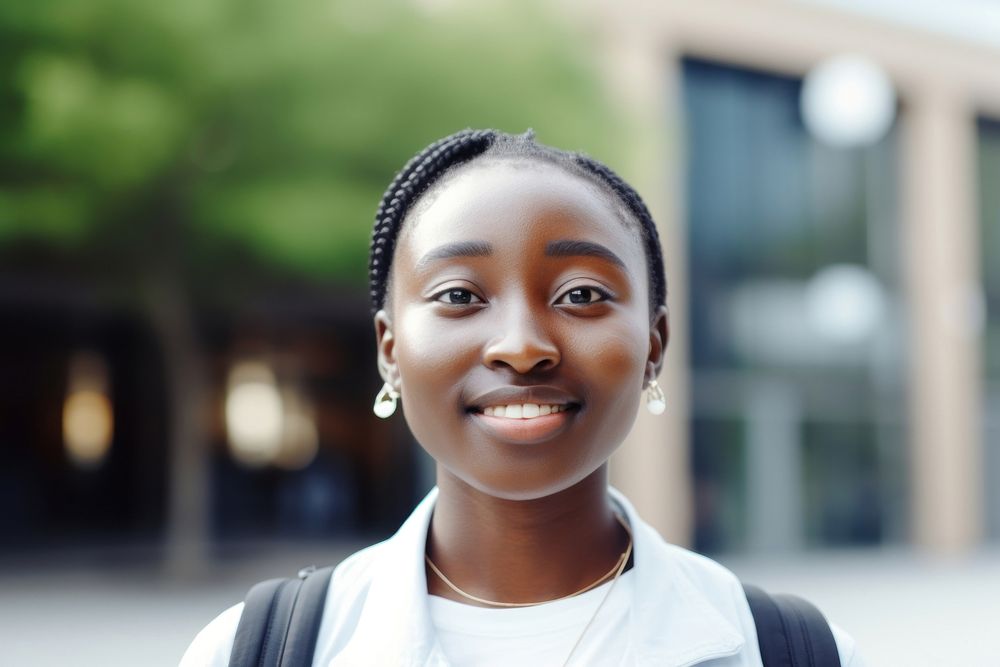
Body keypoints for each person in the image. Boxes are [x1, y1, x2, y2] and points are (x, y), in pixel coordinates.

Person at [181, 129, 864, 666]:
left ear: (655, 344)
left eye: (582, 295)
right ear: (390, 348)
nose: (520, 344)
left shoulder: (792, 652)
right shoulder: (254, 651)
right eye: (458, 295)